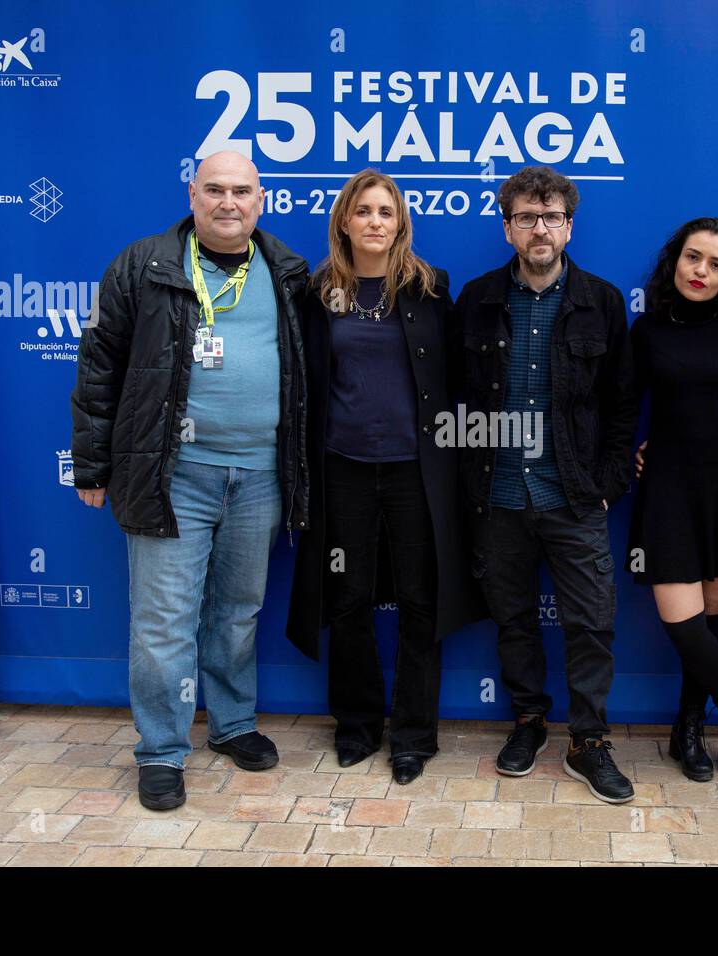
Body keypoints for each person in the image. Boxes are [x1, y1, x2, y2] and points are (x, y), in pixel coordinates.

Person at [70, 151, 310, 811]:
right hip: (171, 472)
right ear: (192, 193)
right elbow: (100, 367)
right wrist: (91, 464)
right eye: (215, 190)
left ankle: (232, 725)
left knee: (237, 612)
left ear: (262, 199)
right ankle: (161, 751)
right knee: (163, 621)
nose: (229, 202)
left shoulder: (289, 273)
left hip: (260, 473)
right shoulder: (143, 265)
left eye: (242, 190)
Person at [451, 166, 639, 804]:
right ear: (507, 228)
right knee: (514, 620)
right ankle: (528, 723)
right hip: (498, 495)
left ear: (568, 226)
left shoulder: (603, 302)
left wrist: (609, 482)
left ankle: (588, 741)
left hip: (575, 497)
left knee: (591, 623)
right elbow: (454, 398)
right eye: (527, 217)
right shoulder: (476, 300)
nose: (540, 228)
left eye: (551, 216)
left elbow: (621, 407)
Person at [286, 169, 481, 784]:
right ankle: (358, 724)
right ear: (345, 220)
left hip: (415, 474)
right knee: (347, 598)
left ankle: (415, 736)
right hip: (342, 469)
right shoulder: (319, 294)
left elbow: (456, 385)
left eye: (386, 212)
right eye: (363, 210)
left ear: (400, 223)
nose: (375, 221)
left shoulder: (429, 290)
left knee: (423, 602)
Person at [625, 218, 718, 782]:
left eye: (715, 265)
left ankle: (688, 726)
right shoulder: (647, 330)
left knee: (710, 621)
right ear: (675, 260)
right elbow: (619, 407)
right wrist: (630, 451)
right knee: (682, 623)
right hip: (667, 486)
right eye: (693, 258)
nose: (701, 271)